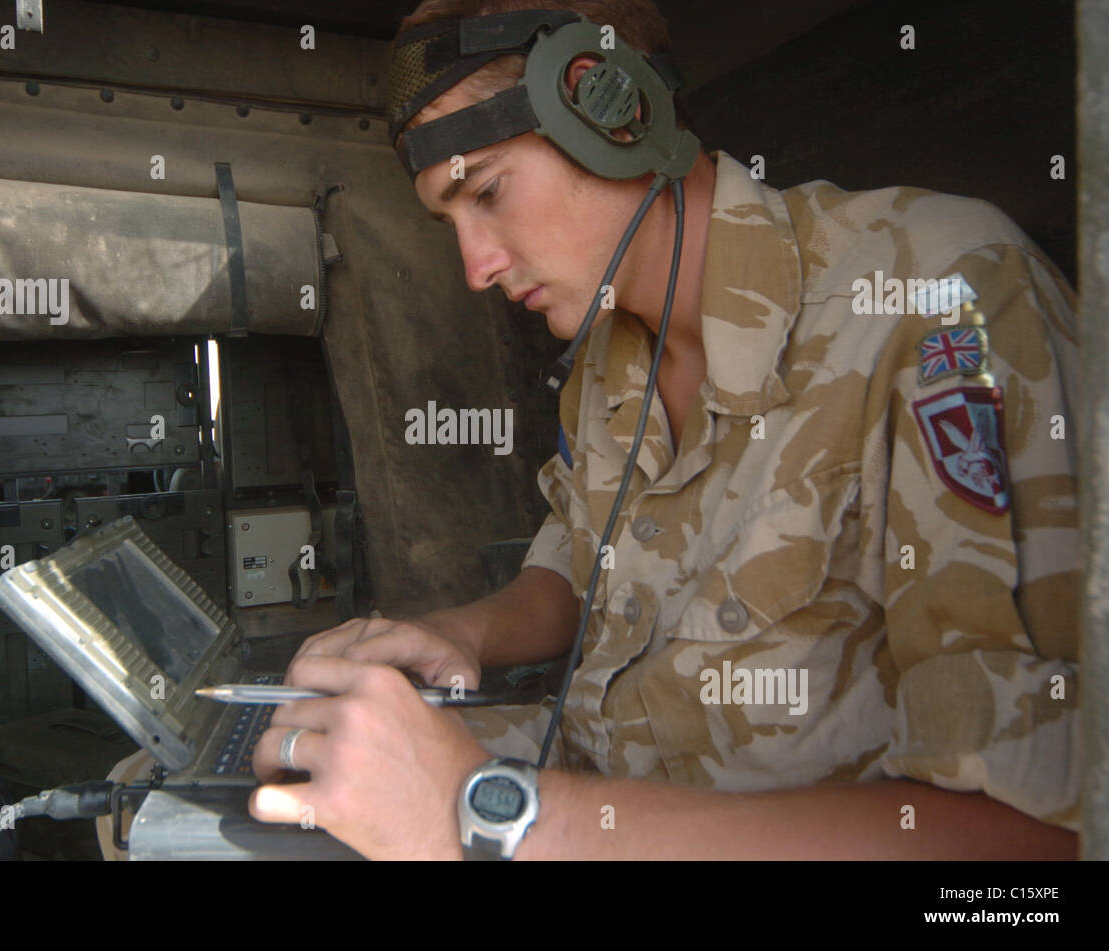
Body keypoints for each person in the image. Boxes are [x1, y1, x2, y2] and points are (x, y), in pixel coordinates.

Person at [111, 0, 1083, 860]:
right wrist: (451, 634)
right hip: (582, 791)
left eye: (485, 193)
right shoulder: (606, 362)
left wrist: (490, 814)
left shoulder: (941, 296)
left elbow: (1033, 839)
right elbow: (573, 571)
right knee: (183, 812)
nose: (475, 269)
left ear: (615, 113)